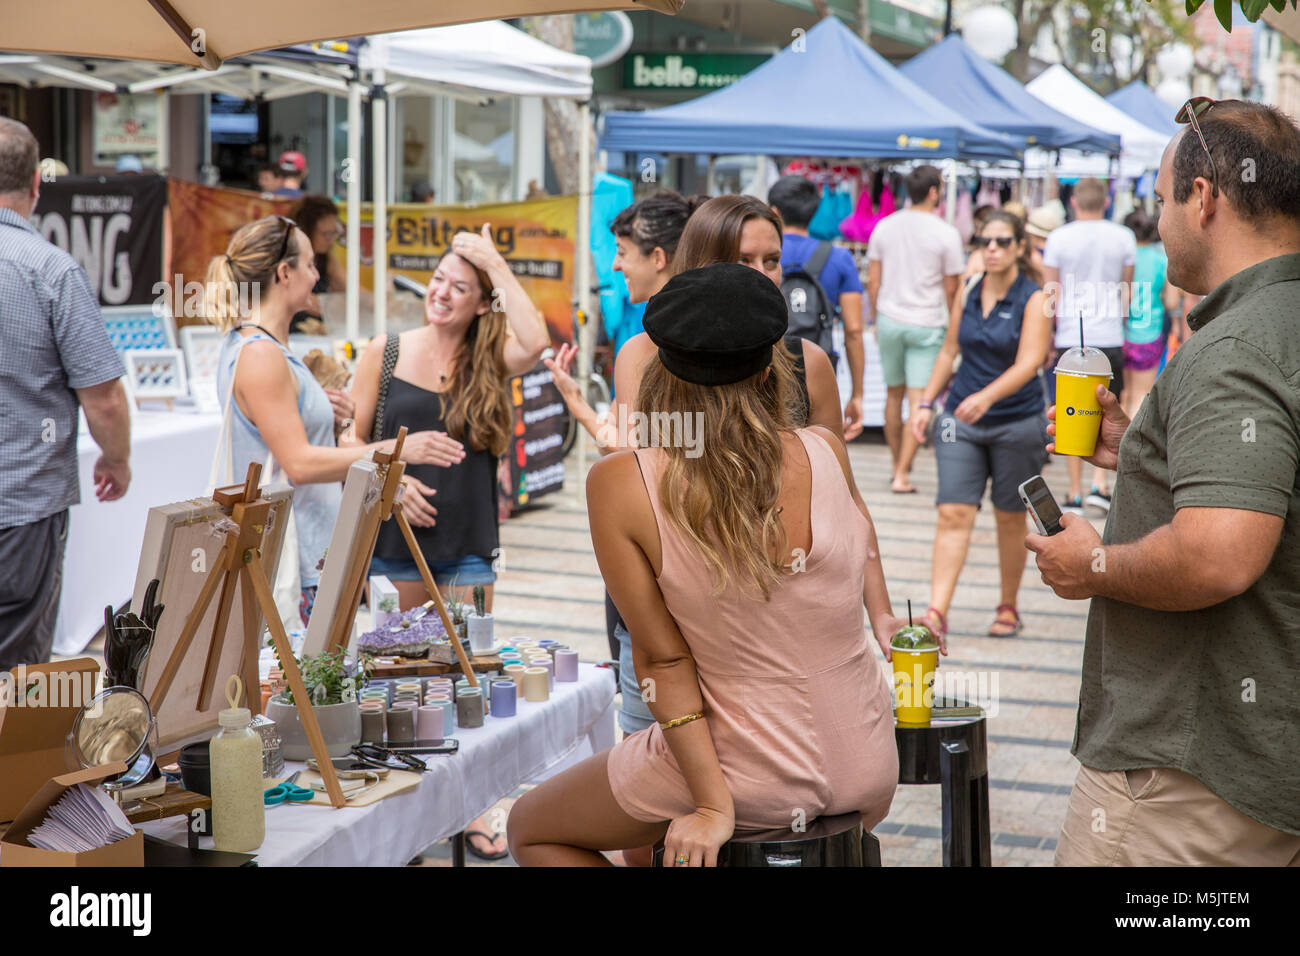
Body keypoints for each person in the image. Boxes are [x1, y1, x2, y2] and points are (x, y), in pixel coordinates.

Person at [507, 264, 905, 867]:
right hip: (870, 763)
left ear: (661, 371)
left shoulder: (623, 482)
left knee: (531, 827)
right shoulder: (824, 451)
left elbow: (663, 662)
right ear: (772, 369)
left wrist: (714, 806)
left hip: (746, 777)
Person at [1029, 99, 1300, 866]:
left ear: (1204, 197)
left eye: (1159, 200)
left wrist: (1094, 566)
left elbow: (1219, 552)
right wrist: (1151, 448)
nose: (1158, 223)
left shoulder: (1237, 346)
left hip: (1191, 780)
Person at [210, 216, 460, 625]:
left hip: (306, 555)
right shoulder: (261, 355)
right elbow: (301, 464)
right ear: (283, 273)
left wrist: (322, 408)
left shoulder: (257, 346)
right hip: (294, 559)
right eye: (310, 264)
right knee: (305, 685)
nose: (317, 275)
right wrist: (392, 451)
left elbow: (276, 425)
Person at [352, 225, 549, 612]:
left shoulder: (489, 360)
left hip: (469, 550)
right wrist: (394, 485)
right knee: (398, 668)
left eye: (459, 287)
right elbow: (350, 443)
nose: (441, 292)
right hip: (395, 544)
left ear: (481, 304)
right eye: (438, 279)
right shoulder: (385, 351)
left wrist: (494, 263)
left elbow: (536, 341)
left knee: (467, 668)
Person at [0, 117, 131, 668]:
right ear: (35, 186)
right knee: (19, 673)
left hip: (24, 496)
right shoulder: (51, 270)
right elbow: (102, 397)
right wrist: (117, 459)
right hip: (23, 501)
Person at [909, 212, 1050, 640]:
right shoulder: (969, 290)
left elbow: (1030, 363)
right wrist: (925, 402)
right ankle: (936, 611)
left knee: (1010, 515)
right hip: (959, 421)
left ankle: (1008, 605)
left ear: (1020, 248)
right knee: (952, 510)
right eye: (983, 240)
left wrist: (987, 397)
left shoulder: (1036, 298)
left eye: (1002, 241)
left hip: (1017, 422)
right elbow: (950, 349)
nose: (991, 248)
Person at [867, 165, 966, 494]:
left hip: (889, 318)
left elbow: (874, 281)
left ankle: (898, 464)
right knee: (919, 400)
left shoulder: (885, 227)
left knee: (892, 396)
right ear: (935, 192)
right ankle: (901, 474)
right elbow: (953, 291)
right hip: (927, 323)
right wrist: (956, 328)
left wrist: (877, 319)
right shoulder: (945, 233)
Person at [1040, 178, 1134, 515]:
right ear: (1106, 202)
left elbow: (1051, 288)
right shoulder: (1123, 236)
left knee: (1070, 414)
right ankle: (1100, 485)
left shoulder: (1059, 237)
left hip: (1070, 335)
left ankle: (1075, 492)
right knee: (1106, 408)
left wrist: (1051, 331)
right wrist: (1120, 318)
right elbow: (1127, 287)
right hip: (1109, 334)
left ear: (1074, 203)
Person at [768, 175, 867, 439]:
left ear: (774, 211)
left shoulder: (762, 253)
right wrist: (857, 394)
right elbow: (854, 331)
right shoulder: (840, 258)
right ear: (813, 212)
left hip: (766, 365)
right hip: (816, 367)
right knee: (817, 448)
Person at [1119, 210, 1178, 416]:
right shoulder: (1160, 260)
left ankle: (1117, 444)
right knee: (1141, 396)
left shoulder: (1122, 258)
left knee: (1124, 395)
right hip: (1149, 333)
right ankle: (1131, 446)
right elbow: (1171, 302)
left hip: (1120, 334)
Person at [288, 195, 346, 330]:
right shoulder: (283, 259)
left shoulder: (327, 259)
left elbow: (353, 292)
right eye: (326, 234)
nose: (331, 240)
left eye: (334, 234)